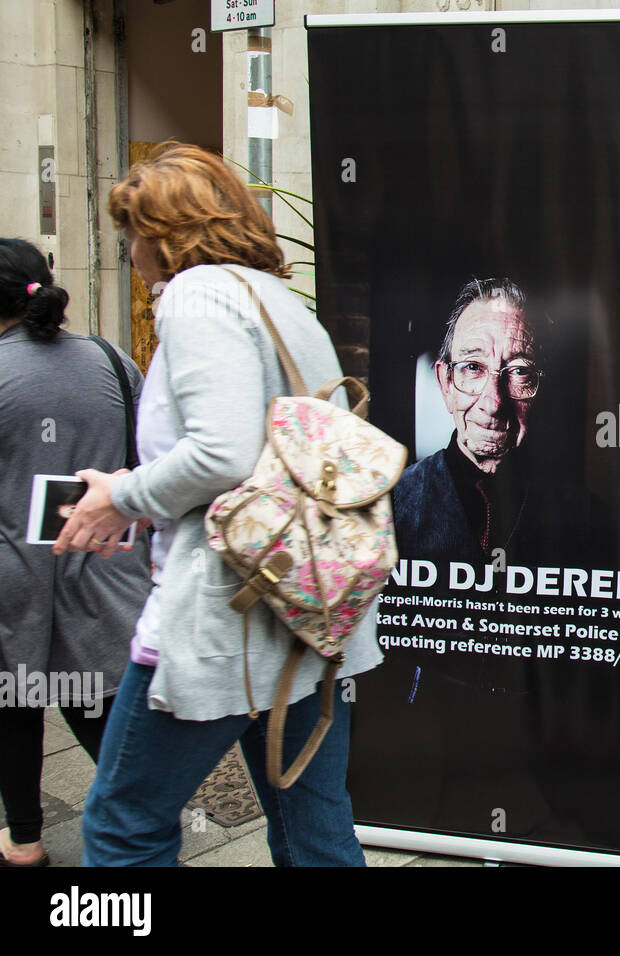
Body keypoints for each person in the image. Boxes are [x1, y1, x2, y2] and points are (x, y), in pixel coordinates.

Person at [55, 142, 383, 866]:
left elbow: (221, 453)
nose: (129, 254)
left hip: (222, 614)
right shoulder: (275, 299)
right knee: (314, 827)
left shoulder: (197, 295)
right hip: (302, 610)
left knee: (121, 823)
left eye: (132, 235)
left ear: (163, 235)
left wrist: (122, 496)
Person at [0, 239, 151, 867]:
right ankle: (137, 817)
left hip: (14, 570)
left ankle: (25, 840)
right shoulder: (112, 360)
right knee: (99, 698)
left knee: (13, 703)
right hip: (106, 563)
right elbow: (148, 457)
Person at [392, 278, 545, 564]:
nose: (493, 403)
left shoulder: (585, 516)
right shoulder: (393, 507)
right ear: (445, 383)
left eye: (519, 371)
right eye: (473, 367)